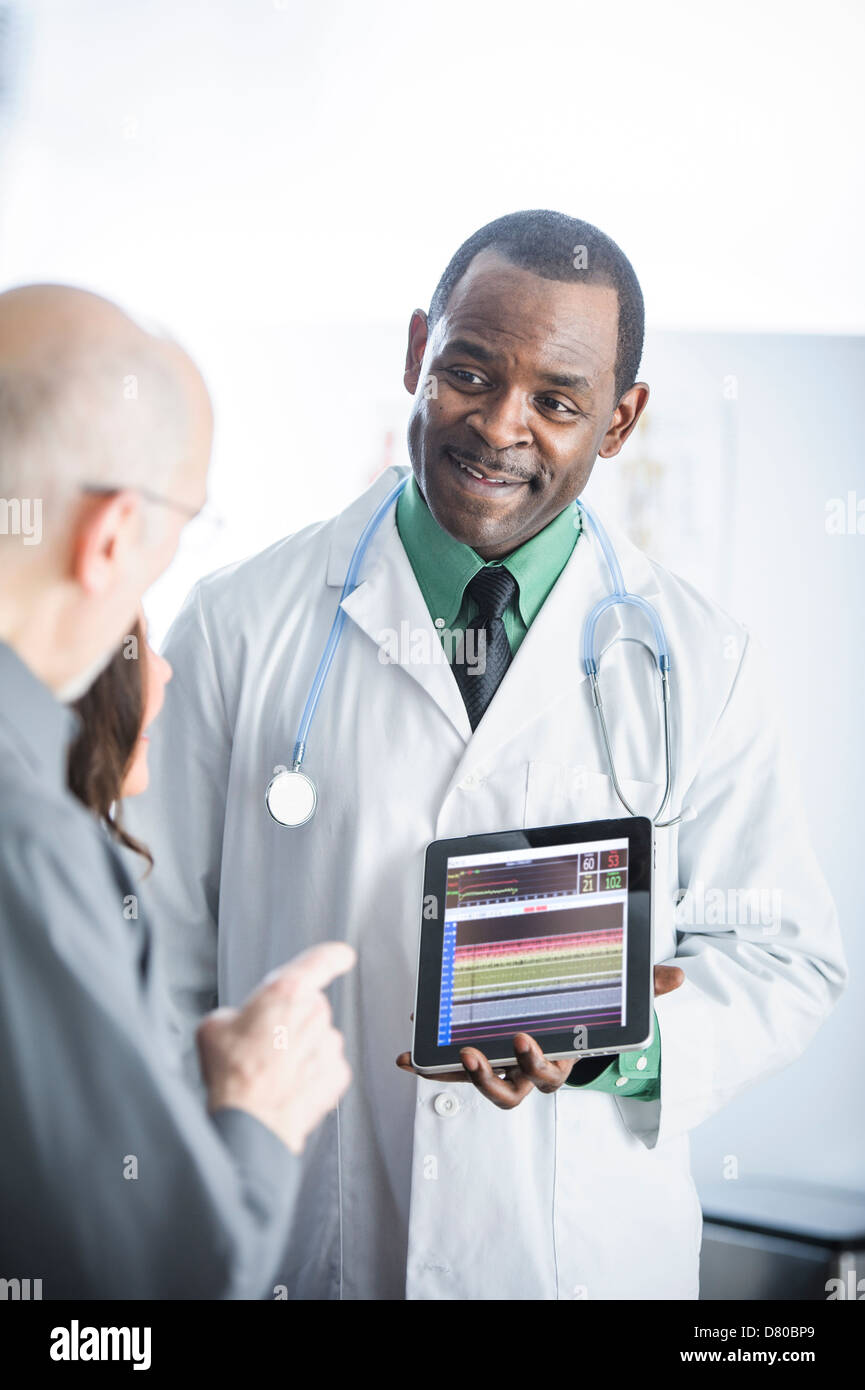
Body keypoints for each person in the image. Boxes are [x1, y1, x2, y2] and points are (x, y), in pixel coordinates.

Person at [130, 211, 846, 1300]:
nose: (500, 426)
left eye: (557, 401)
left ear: (619, 420)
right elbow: (152, 948)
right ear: (417, 352)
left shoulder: (702, 659)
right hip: (306, 1249)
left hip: (575, 1263)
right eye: (468, 371)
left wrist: (624, 1046)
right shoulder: (240, 622)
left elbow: (788, 957)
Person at [0, 284, 354, 1298]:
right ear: (110, 537)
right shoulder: (31, 842)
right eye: (181, 527)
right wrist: (256, 1104)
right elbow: (161, 1290)